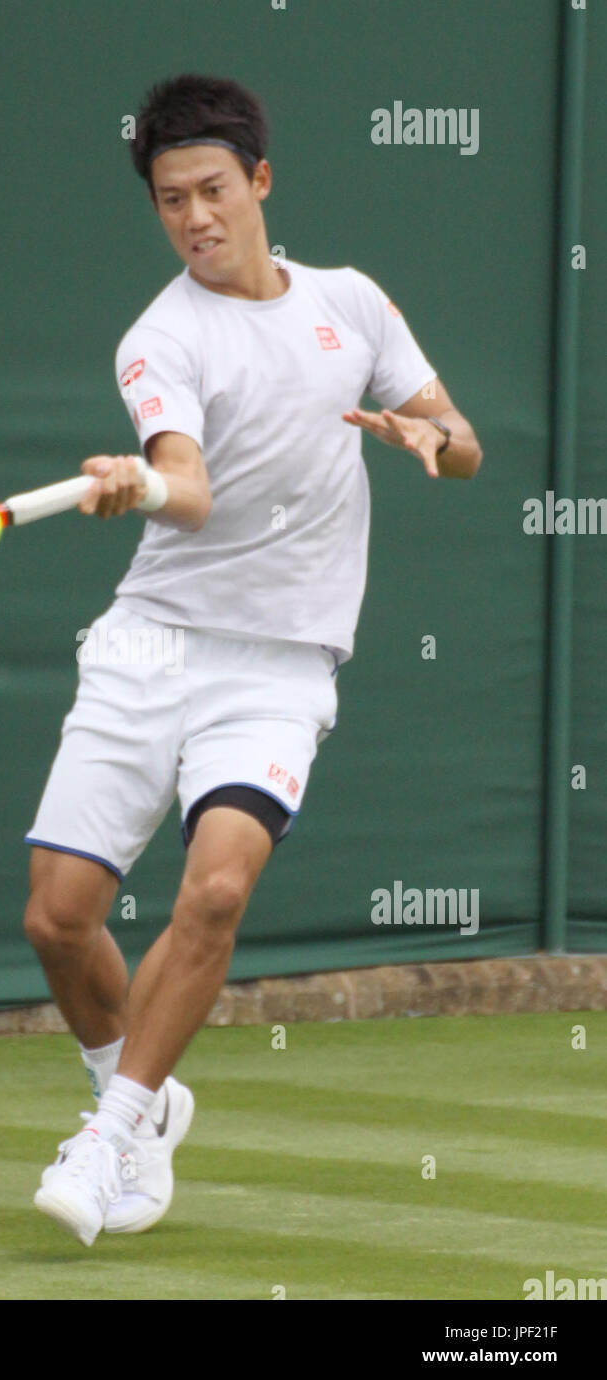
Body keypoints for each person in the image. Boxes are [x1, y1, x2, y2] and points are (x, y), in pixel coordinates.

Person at [24, 73, 482, 1247]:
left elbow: (462, 440)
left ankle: (115, 1124)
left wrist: (434, 435)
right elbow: (192, 482)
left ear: (262, 180)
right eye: (172, 200)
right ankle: (146, 1085)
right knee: (58, 919)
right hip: (150, 646)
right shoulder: (161, 335)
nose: (195, 218)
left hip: (281, 659)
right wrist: (142, 483)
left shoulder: (354, 305)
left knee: (218, 885)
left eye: (214, 190)